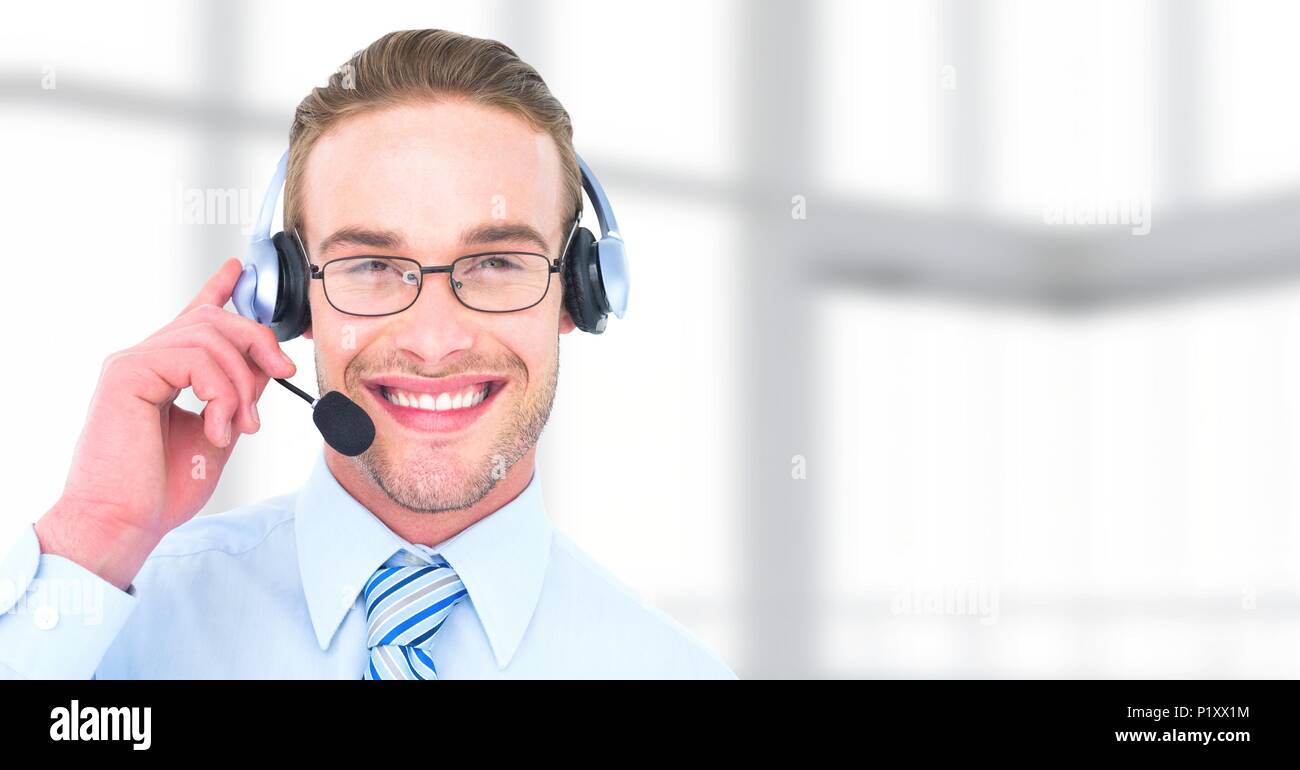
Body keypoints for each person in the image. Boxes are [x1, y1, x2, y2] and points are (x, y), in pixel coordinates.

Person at [0, 29, 736, 680]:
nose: (435, 338)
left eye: (497, 263)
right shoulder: (101, 636)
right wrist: (90, 537)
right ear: (288, 298)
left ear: (579, 292)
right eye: (373, 268)